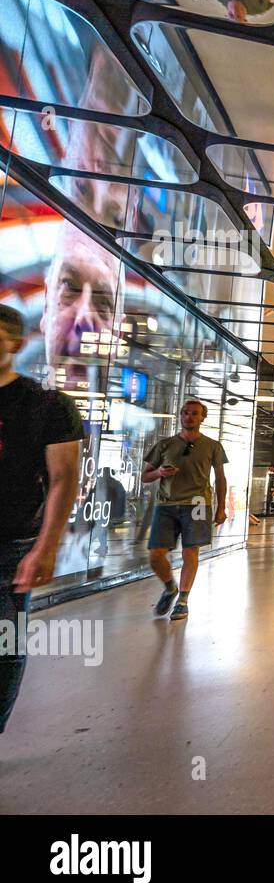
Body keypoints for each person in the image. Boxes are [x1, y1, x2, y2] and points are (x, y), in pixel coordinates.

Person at [0, 305, 82, 734]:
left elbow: (63, 479)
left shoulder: (46, 406)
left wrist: (45, 548)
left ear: (15, 344)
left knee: (4, 647)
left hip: (11, 546)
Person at [142, 399, 229, 621]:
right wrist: (160, 473)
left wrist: (221, 507)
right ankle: (169, 586)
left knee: (191, 551)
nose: (189, 417)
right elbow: (145, 476)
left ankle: (183, 599)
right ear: (180, 416)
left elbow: (220, 478)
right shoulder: (165, 445)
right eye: (185, 413)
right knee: (155, 554)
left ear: (202, 418)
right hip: (166, 505)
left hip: (198, 503)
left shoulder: (213, 446)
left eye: (194, 413)